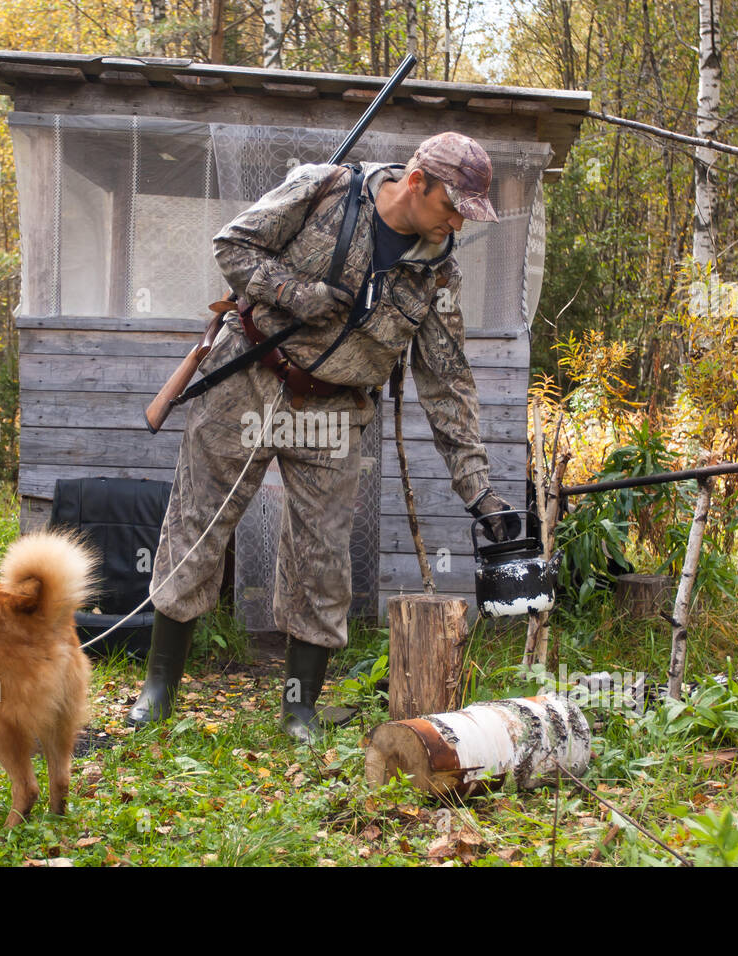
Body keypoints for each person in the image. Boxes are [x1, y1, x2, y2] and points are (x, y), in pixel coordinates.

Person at [129, 131, 513, 741]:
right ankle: (160, 689)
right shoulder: (324, 188)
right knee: (197, 527)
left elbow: (447, 382)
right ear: (416, 182)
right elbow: (233, 244)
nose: (456, 225)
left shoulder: (437, 274)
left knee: (323, 560)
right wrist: (297, 295)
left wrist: (479, 490)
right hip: (248, 379)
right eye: (451, 207)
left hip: (334, 410)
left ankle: (298, 709)